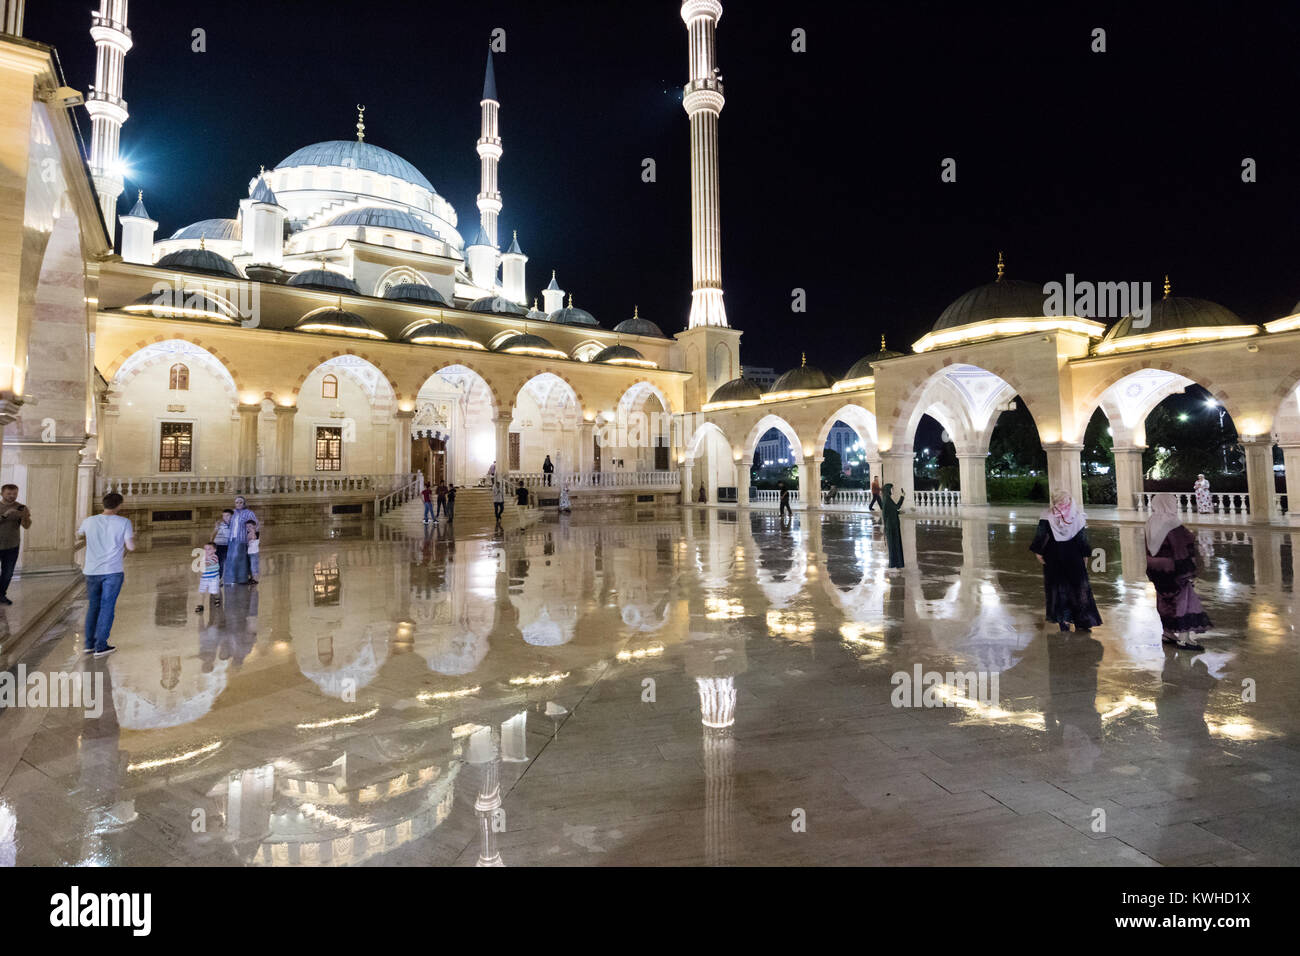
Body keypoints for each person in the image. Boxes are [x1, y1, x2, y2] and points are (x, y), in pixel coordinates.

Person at [1029, 490, 1103, 632]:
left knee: (1058, 588)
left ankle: (1063, 619)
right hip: (1073, 555)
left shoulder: (1047, 515)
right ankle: (1082, 621)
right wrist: (1085, 555)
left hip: (1053, 555)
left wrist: (1039, 552)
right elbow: (1082, 539)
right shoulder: (1077, 516)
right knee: (1078, 587)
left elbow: (1041, 535)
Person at [1146, 492, 1212, 650]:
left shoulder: (1151, 521)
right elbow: (1182, 547)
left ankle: (1167, 633)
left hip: (1156, 570)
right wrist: (1190, 569)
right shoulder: (1172, 522)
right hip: (1174, 569)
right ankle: (1184, 638)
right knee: (1184, 601)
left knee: (1164, 601)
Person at [77, 492, 135, 657]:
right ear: (119, 505)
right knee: (107, 607)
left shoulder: (89, 521)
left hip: (92, 570)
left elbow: (79, 534)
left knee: (93, 606)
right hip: (112, 570)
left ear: (104, 504)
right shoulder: (124, 522)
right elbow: (130, 547)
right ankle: (100, 646)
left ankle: (89, 644)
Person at [0, 483, 32, 605]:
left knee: (8, 573)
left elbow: (27, 526)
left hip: (12, 545)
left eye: (15, 494)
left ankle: (2, 595)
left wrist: (25, 517)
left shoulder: (21, 507)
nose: (12, 496)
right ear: (2, 493)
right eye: (9, 494)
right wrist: (5, 515)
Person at [223, 495, 258, 585]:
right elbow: (228, 524)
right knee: (231, 559)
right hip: (232, 539)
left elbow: (255, 524)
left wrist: (252, 533)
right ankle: (231, 578)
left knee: (240, 559)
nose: (238, 504)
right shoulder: (232, 513)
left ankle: (242, 579)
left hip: (242, 539)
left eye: (240, 502)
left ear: (244, 503)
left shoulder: (249, 513)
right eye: (237, 502)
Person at [880, 482, 906, 569]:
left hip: (892, 525)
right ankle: (894, 564)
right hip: (891, 526)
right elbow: (897, 506)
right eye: (892, 488)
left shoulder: (887, 498)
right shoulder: (887, 499)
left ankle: (896, 564)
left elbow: (891, 511)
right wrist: (902, 496)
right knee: (893, 545)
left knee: (895, 545)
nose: (893, 490)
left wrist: (898, 512)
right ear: (888, 490)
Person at [196, 541, 221, 613]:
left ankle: (217, 598)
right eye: (205, 549)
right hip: (204, 577)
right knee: (201, 591)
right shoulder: (203, 557)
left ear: (214, 550)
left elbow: (208, 564)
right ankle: (200, 605)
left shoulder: (215, 557)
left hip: (213, 578)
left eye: (209, 549)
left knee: (214, 591)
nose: (206, 551)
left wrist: (202, 562)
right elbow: (198, 564)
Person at [212, 509, 233, 578]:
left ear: (232, 516)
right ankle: (218, 578)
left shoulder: (234, 525)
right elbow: (214, 533)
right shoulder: (220, 524)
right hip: (218, 545)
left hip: (226, 545)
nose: (225, 517)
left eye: (227, 515)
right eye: (223, 516)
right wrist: (211, 543)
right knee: (218, 562)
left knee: (222, 562)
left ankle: (222, 578)